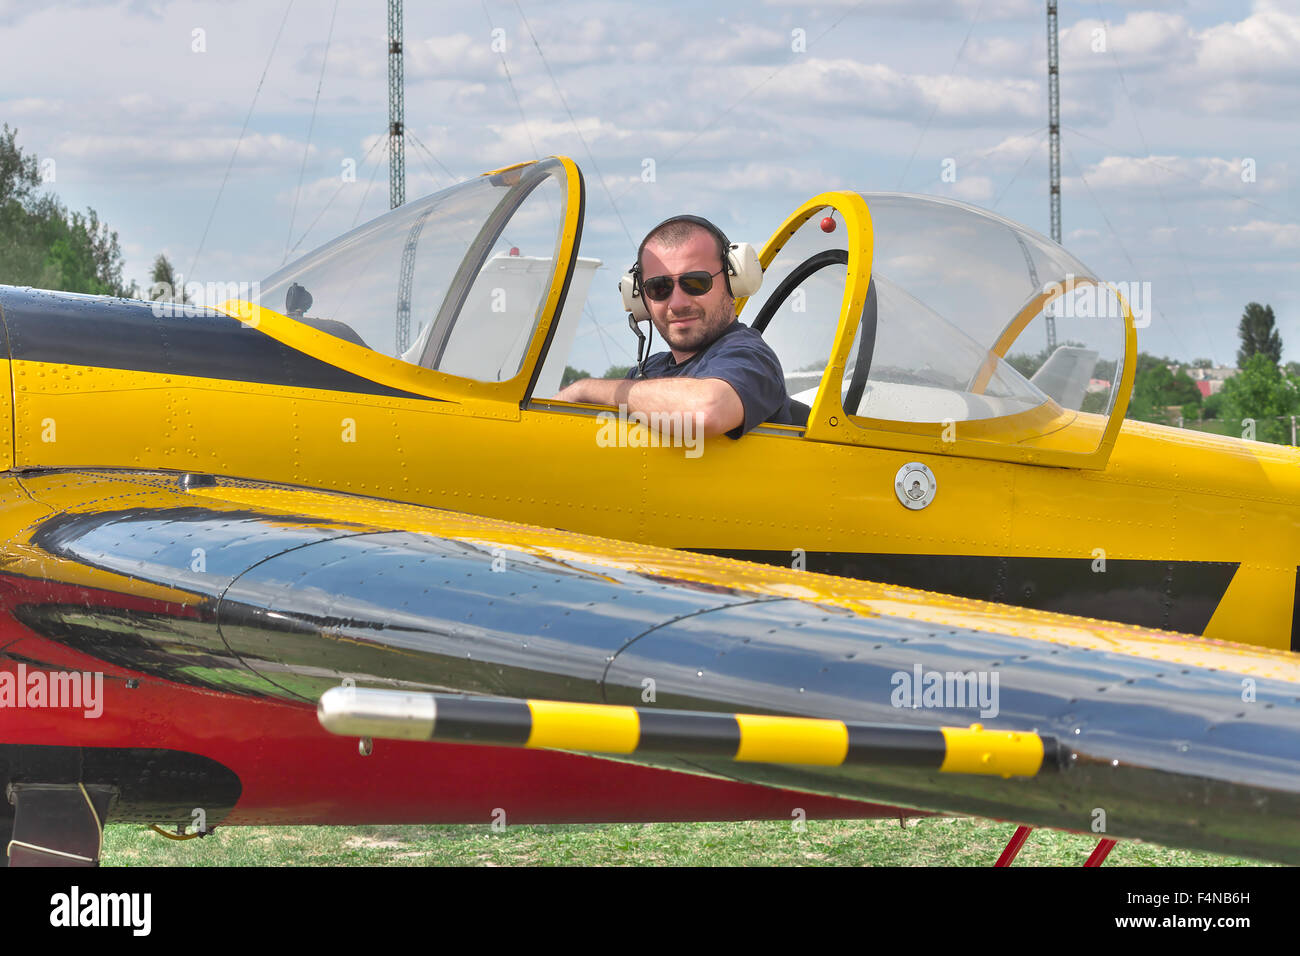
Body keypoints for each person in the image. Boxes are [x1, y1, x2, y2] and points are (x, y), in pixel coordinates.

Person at [552, 216, 794, 439]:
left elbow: (706, 413)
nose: (677, 304)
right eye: (659, 288)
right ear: (640, 299)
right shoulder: (647, 371)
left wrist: (584, 388)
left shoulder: (750, 358)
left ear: (733, 282)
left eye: (697, 282)